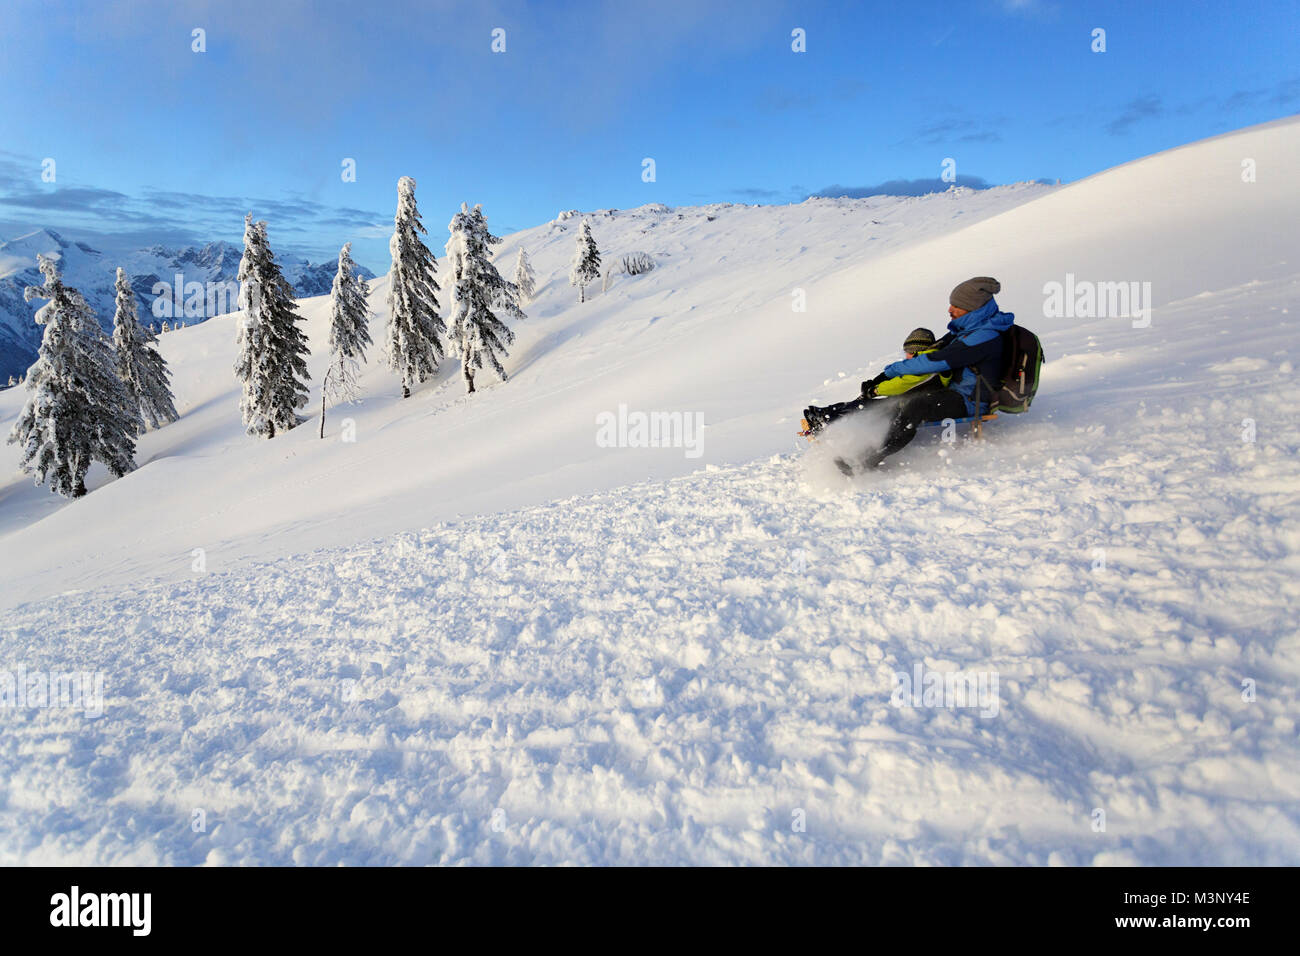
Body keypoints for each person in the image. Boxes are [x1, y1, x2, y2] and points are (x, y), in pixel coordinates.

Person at [804, 276, 1013, 470]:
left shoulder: (983, 338)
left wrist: (890, 372)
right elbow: (930, 354)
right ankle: (832, 421)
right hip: (951, 393)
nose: (950, 309)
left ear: (972, 309)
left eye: (956, 306)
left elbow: (932, 361)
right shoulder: (966, 332)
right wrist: (888, 377)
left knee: (916, 405)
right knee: (900, 401)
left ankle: (867, 458)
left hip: (969, 401)